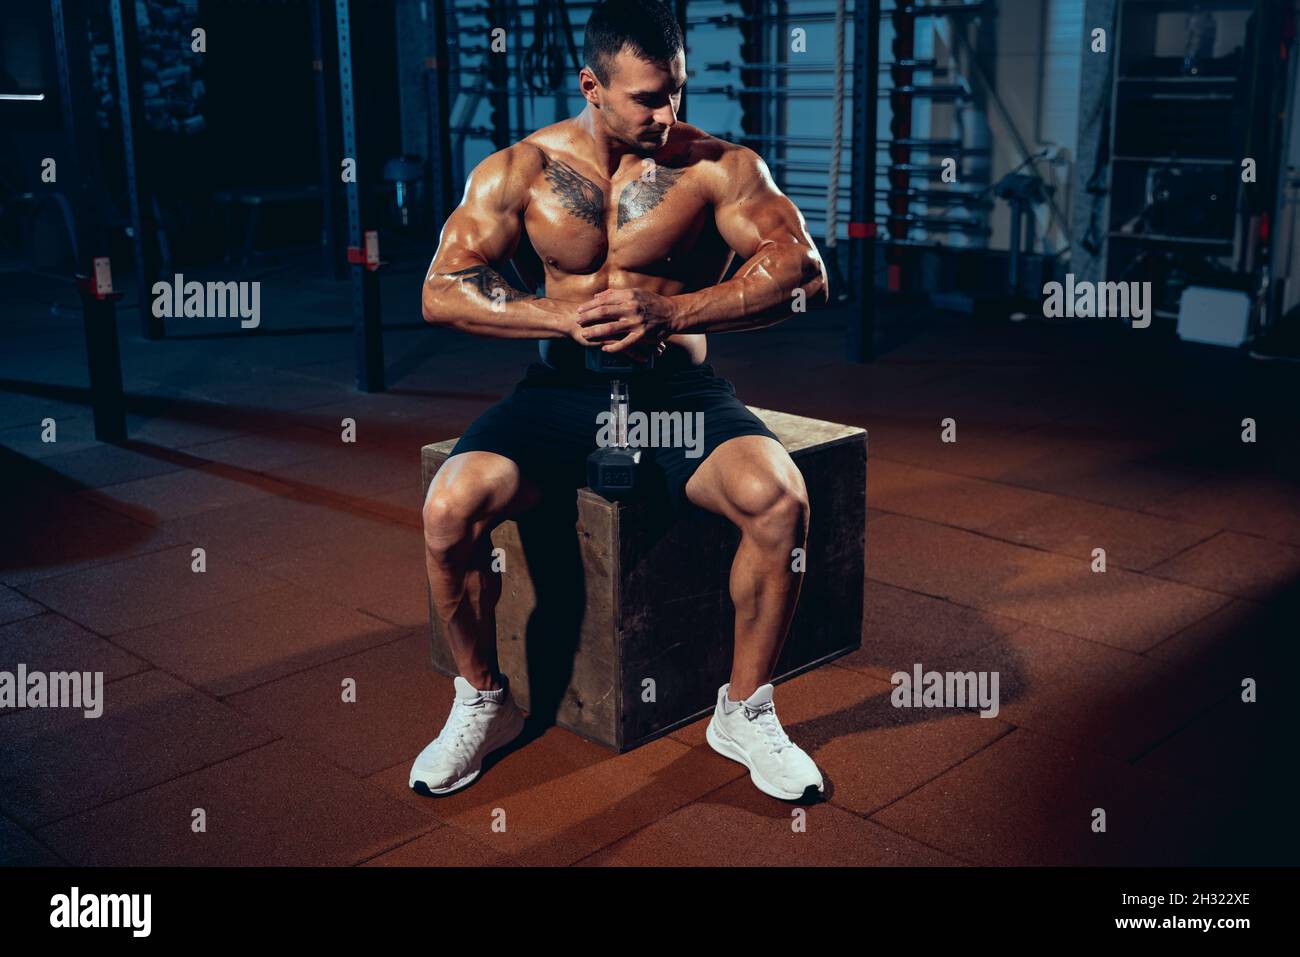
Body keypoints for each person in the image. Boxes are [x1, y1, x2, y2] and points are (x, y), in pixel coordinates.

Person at [412, 0, 830, 801]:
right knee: (447, 507)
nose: (667, 111)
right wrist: (556, 312)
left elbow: (804, 271)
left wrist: (673, 310)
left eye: (675, 89)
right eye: (647, 96)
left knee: (780, 499)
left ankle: (743, 710)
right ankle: (481, 699)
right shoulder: (520, 170)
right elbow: (441, 290)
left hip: (678, 390)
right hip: (562, 392)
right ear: (592, 85)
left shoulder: (716, 165)